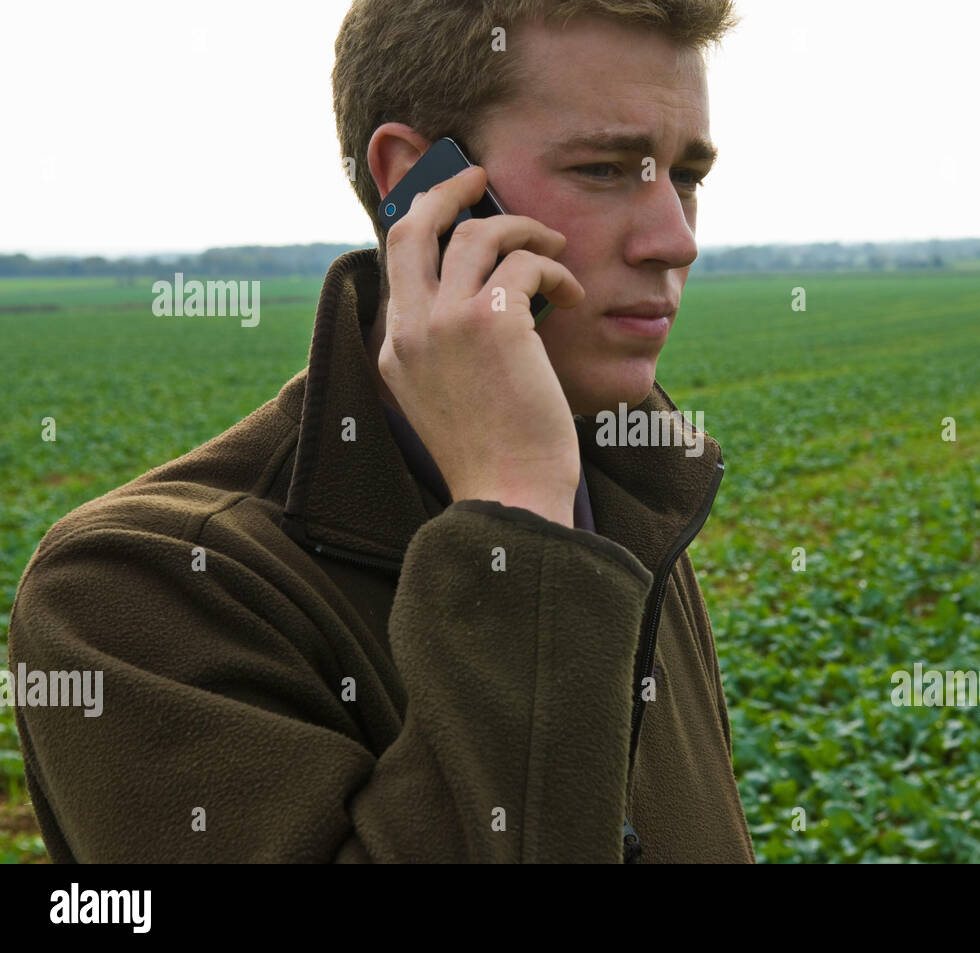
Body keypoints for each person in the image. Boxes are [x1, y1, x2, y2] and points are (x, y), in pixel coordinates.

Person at [9, 0, 754, 863]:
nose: (675, 239)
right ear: (420, 185)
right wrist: (517, 518)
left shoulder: (624, 486)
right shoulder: (135, 589)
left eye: (686, 175)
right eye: (603, 167)